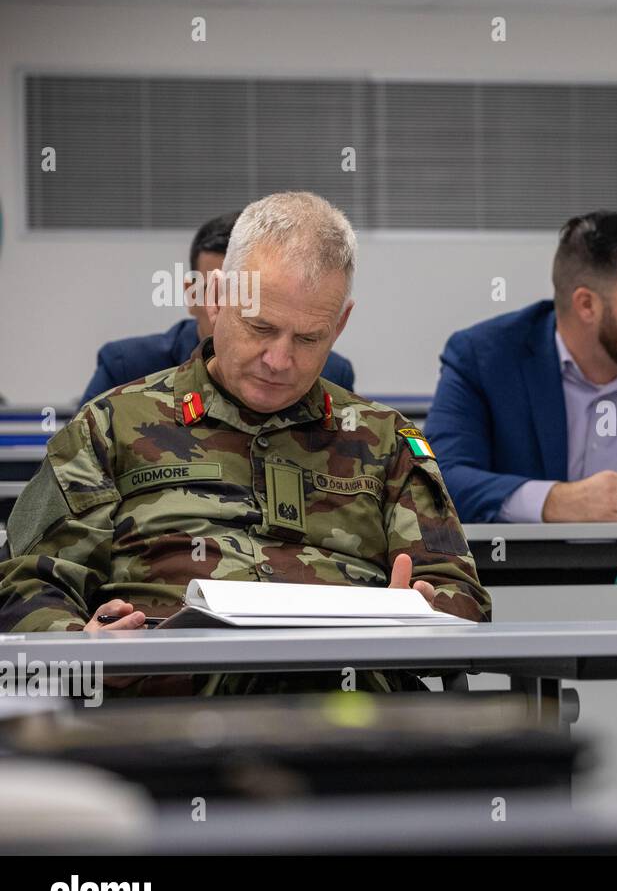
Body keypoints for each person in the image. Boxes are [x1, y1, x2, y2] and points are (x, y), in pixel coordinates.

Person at [2, 192, 489, 696]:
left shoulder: (386, 440)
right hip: (160, 714)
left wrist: (421, 612)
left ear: (339, 324)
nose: (279, 360)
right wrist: (80, 644)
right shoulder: (109, 427)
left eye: (308, 339)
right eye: (261, 328)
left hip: (348, 714)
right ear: (215, 299)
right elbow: (26, 581)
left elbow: (463, 596)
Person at [425, 210, 617, 523]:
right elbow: (437, 480)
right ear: (587, 305)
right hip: (519, 569)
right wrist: (552, 501)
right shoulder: (483, 358)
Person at [80, 210, 356, 406]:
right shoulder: (128, 367)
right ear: (200, 296)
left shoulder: (328, 372)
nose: (278, 361)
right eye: (259, 325)